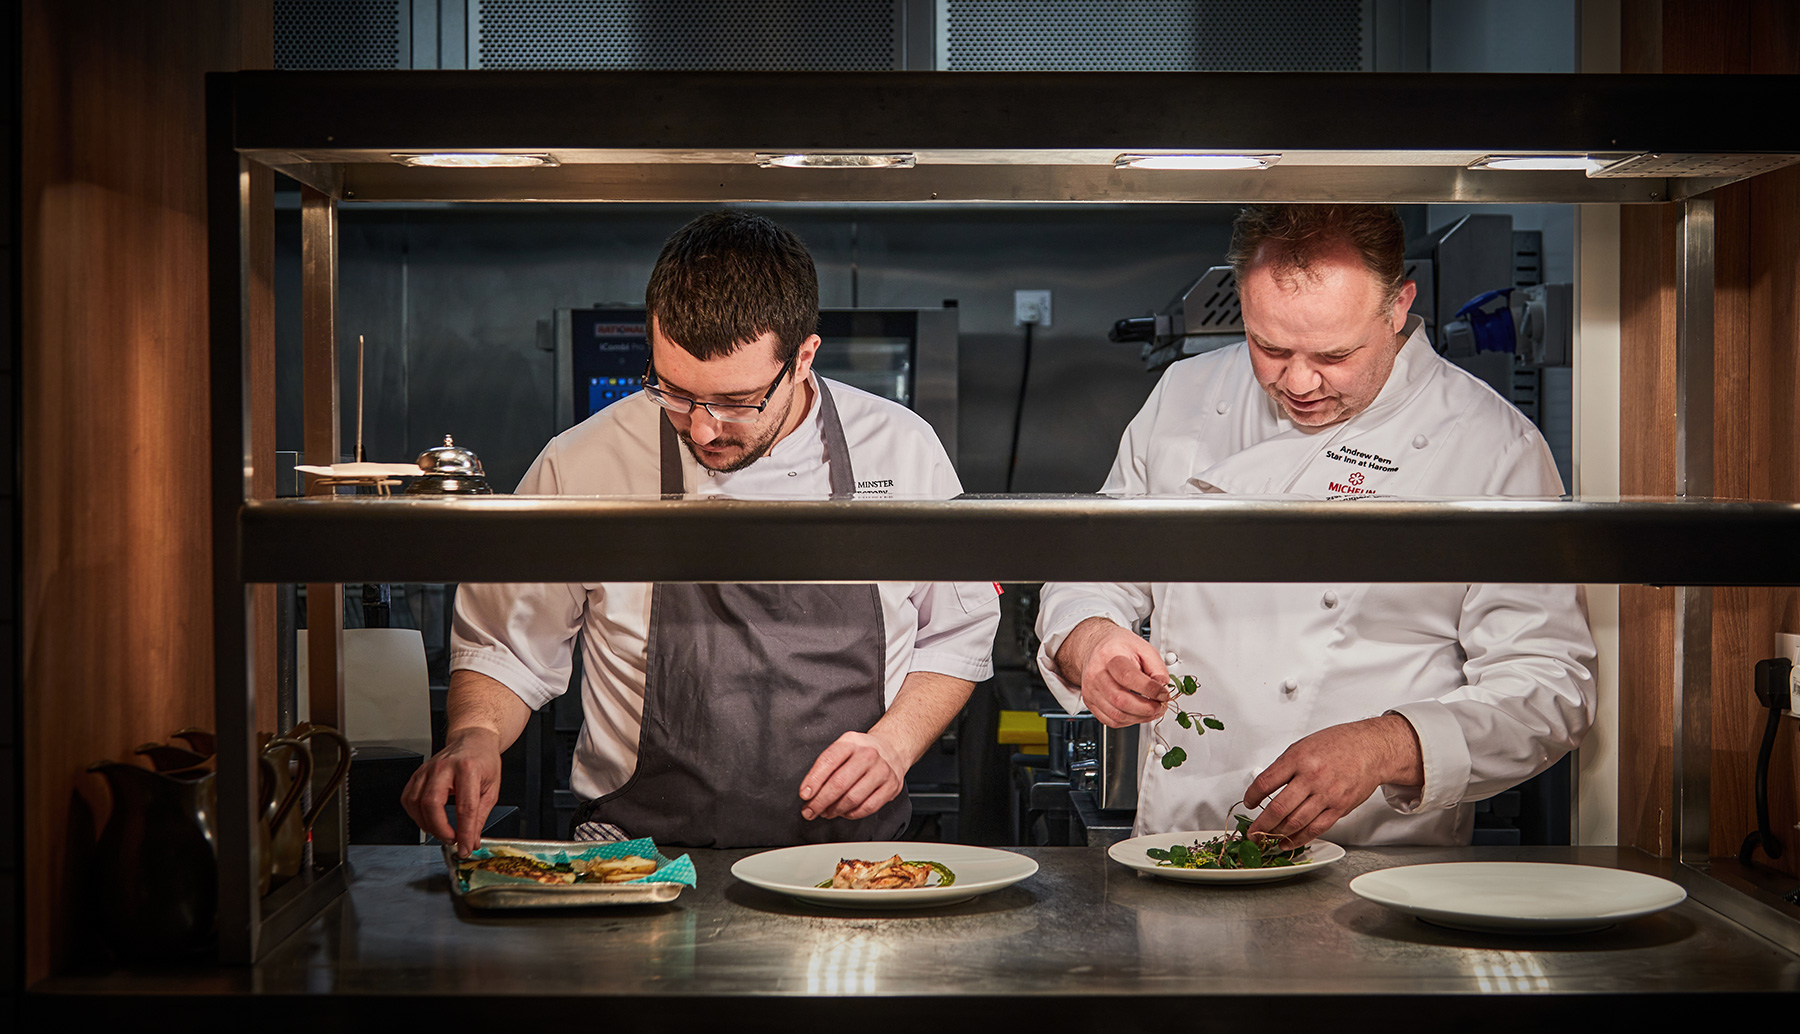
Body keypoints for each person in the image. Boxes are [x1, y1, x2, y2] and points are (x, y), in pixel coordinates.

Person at [403, 211, 1000, 853]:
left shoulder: (901, 449)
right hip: (631, 858)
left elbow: (956, 631)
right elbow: (506, 643)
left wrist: (895, 743)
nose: (704, 429)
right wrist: (475, 735)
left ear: (803, 358)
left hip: (847, 862)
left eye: (738, 402)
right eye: (675, 393)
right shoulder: (585, 460)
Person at [1036, 203, 1595, 847]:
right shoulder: (1184, 396)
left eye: (1335, 354)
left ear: (1398, 307)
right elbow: (1091, 573)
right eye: (1268, 347)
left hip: (1376, 869)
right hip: (1183, 846)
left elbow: (1551, 686)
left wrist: (1388, 744)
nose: (1298, 381)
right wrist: (1094, 642)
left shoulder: (1491, 445)